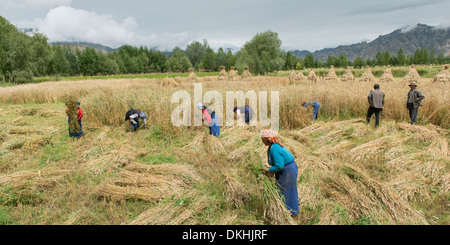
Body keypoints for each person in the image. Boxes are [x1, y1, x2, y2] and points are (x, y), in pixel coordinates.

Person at [260, 129, 299, 217]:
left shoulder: (274, 148)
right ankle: (287, 211)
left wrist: (268, 170)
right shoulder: (273, 146)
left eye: (262, 139)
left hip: (288, 170)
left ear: (267, 139)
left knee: (286, 191)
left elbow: (279, 165)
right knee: (285, 190)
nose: (262, 141)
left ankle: (290, 213)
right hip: (288, 168)